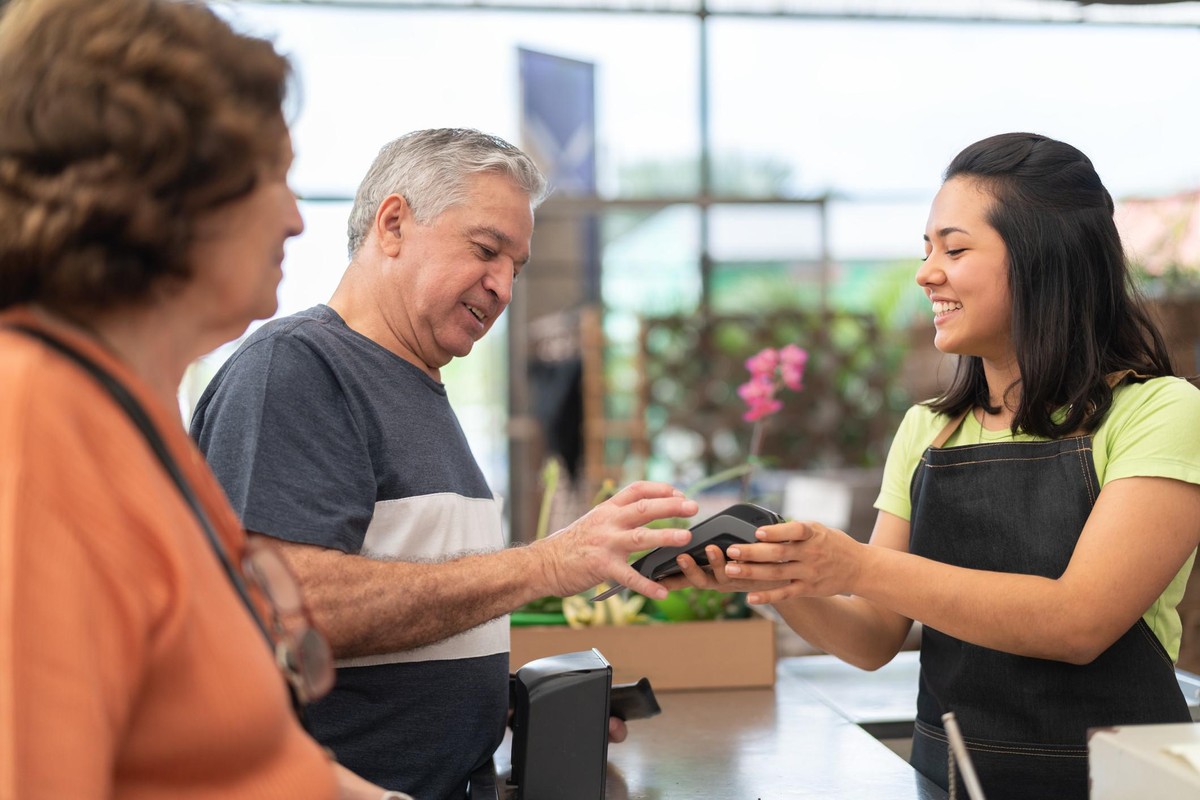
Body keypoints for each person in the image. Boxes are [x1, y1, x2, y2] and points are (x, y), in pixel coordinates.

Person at [671, 132, 1200, 799]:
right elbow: (872, 639)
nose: (926, 272)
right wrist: (786, 580)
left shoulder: (1161, 413)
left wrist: (855, 565)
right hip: (955, 775)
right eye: (927, 249)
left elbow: (1078, 622)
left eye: (954, 248)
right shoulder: (929, 429)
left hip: (1134, 783)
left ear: (1043, 259)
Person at [189, 127, 699, 800]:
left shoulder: (419, 388)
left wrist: (500, 703)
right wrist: (544, 564)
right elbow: (288, 605)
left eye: (515, 267)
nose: (503, 287)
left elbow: (405, 620)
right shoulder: (296, 369)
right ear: (393, 224)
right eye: (487, 250)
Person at [0, 1, 406, 798]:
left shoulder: (130, 415)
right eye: (272, 175)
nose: (295, 218)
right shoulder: (36, 426)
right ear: (168, 187)